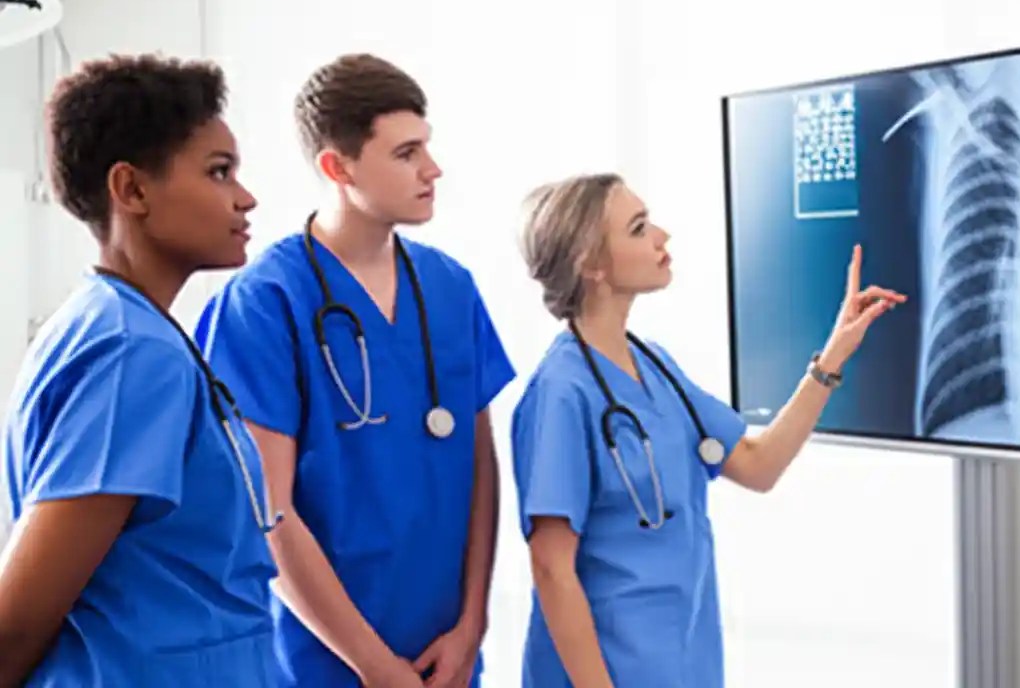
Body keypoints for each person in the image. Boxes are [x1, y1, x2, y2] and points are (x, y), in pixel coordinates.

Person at [511, 173, 906, 687]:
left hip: (682, 664)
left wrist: (834, 354)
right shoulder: (561, 393)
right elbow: (551, 570)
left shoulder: (654, 366)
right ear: (591, 264)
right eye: (638, 228)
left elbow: (759, 465)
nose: (662, 236)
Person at [195, 53, 514, 688]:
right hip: (324, 664)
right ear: (336, 167)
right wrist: (374, 667)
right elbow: (269, 511)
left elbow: (480, 467)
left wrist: (472, 627)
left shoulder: (451, 287)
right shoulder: (264, 303)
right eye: (405, 153)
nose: (433, 169)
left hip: (445, 658)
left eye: (427, 146)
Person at [0, 54, 275, 687]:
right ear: (132, 190)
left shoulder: (124, 330)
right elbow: (19, 618)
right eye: (219, 172)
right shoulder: (133, 354)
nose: (245, 196)